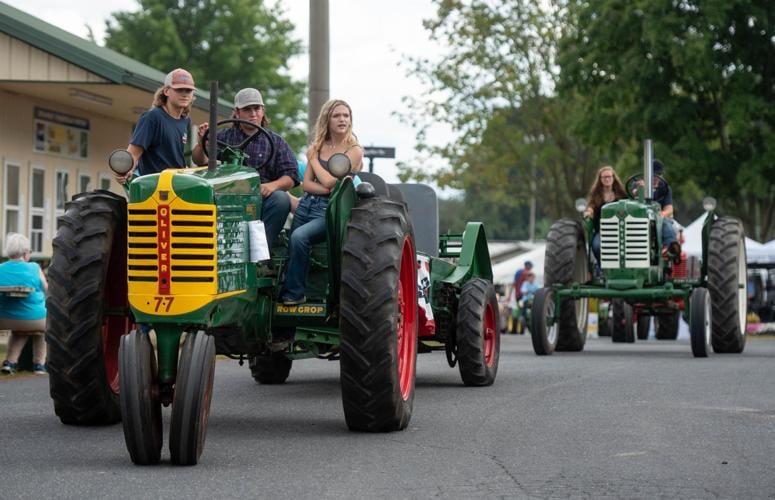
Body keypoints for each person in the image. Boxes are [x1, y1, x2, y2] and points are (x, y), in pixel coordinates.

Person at [192, 88, 299, 256]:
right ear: (237, 112)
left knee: (281, 199)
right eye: (247, 109)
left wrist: (272, 186)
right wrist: (201, 143)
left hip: (261, 198)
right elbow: (200, 160)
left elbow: (291, 176)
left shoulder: (276, 142)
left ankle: (260, 255)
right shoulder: (223, 137)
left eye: (257, 108)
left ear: (263, 111)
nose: (253, 114)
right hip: (226, 196)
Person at [279, 99, 364, 305]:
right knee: (291, 245)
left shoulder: (354, 150)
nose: (342, 119)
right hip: (307, 205)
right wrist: (328, 188)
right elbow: (307, 185)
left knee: (299, 237)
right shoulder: (318, 146)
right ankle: (286, 292)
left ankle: (294, 294)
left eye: (346, 115)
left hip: (330, 211)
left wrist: (314, 160)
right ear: (327, 119)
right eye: (337, 116)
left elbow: (328, 181)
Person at [114, 68, 196, 184]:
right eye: (179, 90)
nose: (184, 94)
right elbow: (133, 154)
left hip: (178, 183)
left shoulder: (185, 121)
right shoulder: (152, 117)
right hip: (154, 186)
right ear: (166, 91)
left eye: (188, 90)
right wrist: (125, 170)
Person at [0, 233, 48, 375]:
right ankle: (39, 365)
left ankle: (10, 363)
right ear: (25, 252)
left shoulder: (1, 268)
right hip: (35, 319)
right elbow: (47, 289)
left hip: (4, 318)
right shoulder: (34, 267)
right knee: (42, 331)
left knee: (20, 332)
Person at [583, 165, 628, 264]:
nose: (607, 179)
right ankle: (601, 267)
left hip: (620, 230)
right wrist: (589, 212)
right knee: (597, 246)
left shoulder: (621, 193)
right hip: (602, 231)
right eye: (604, 177)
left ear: (613, 178)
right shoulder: (596, 194)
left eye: (609, 177)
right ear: (600, 179)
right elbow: (591, 206)